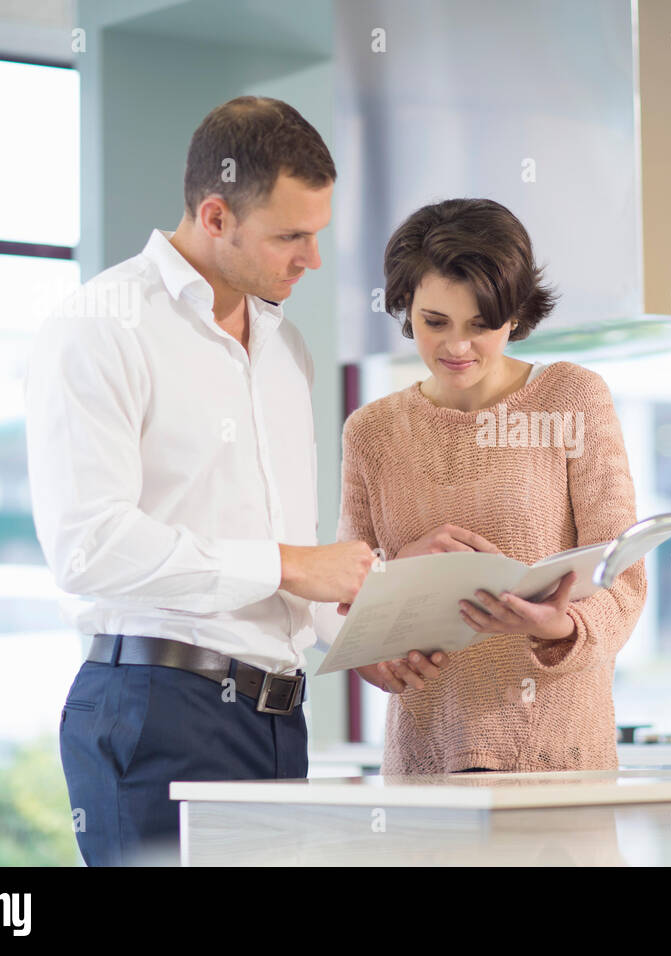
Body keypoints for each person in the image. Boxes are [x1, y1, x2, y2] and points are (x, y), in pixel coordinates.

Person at [25, 96, 445, 866]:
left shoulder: (286, 353)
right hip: (158, 712)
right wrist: (291, 562)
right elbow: (88, 547)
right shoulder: (99, 328)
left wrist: (350, 640)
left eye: (317, 233)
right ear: (215, 216)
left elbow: (279, 563)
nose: (311, 259)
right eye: (291, 236)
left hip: (278, 718)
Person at [338, 197, 647, 774]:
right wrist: (371, 658)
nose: (457, 348)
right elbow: (350, 597)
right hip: (427, 758)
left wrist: (559, 626)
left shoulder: (571, 399)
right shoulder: (371, 432)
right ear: (405, 306)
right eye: (435, 323)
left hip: (558, 756)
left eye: (482, 326)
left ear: (516, 313)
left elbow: (624, 579)